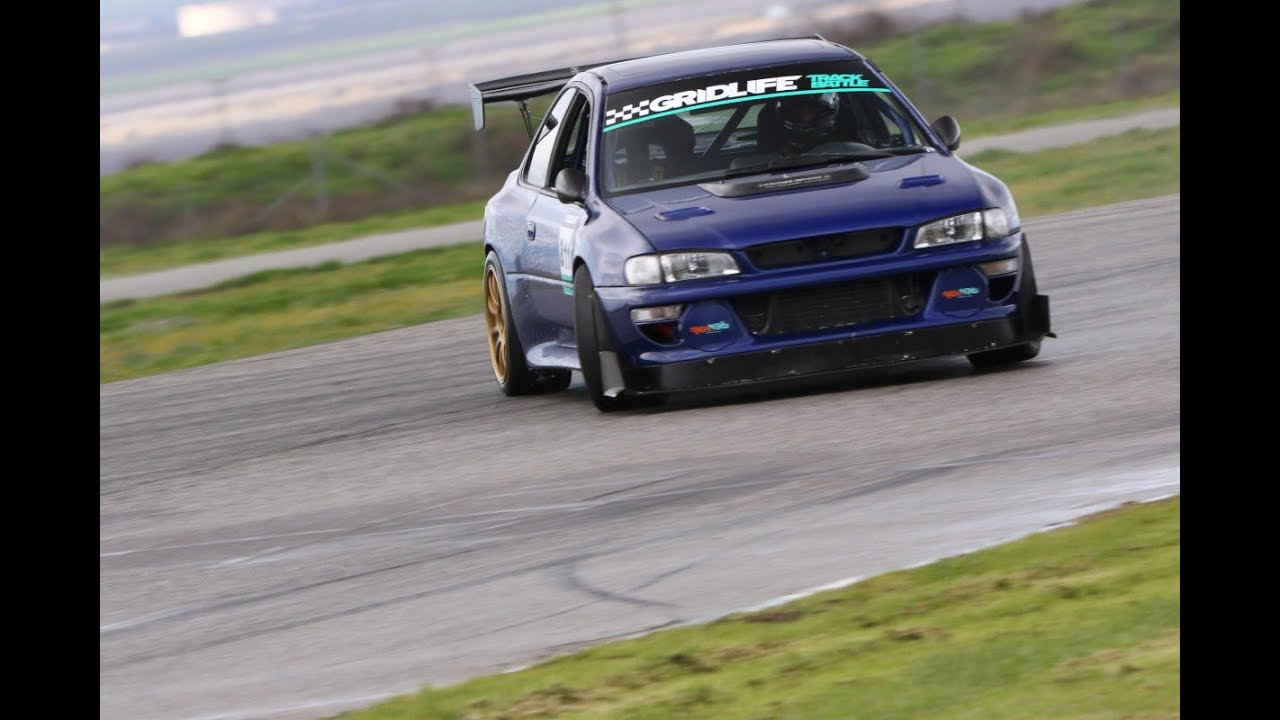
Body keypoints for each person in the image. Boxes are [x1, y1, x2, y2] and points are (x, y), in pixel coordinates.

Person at [775, 92, 844, 156]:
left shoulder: (844, 149)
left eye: (813, 110)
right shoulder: (773, 150)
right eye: (798, 110)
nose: (806, 118)